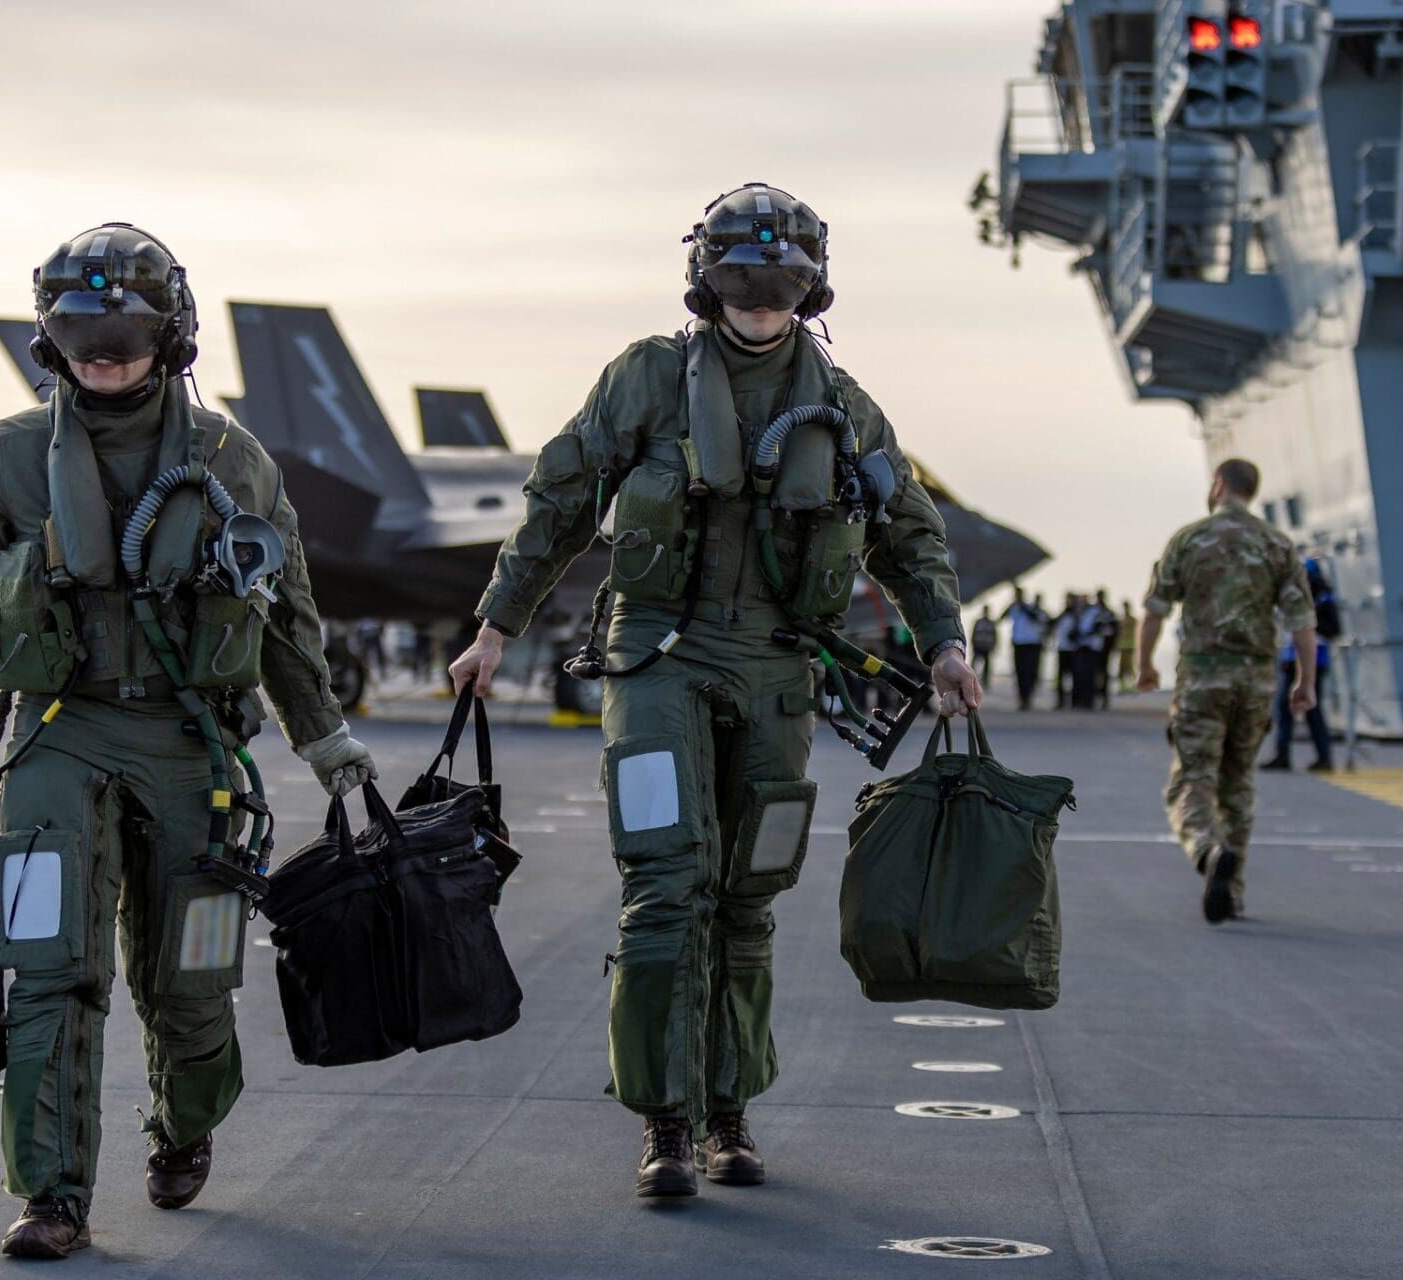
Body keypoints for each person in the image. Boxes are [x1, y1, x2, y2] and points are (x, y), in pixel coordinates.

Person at [447, 184, 979, 1199]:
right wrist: (495, 626)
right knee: (663, 883)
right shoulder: (645, 381)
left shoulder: (846, 404)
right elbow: (561, 500)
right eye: (744, 280)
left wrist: (945, 640)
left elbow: (910, 535)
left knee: (748, 897)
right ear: (709, 282)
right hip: (656, 661)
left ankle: (730, 1107)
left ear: (808, 287)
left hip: (780, 670)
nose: (762, 300)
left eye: (780, 283)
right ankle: (665, 1121)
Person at [0, 224, 375, 1261]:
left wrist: (327, 741)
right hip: (60, 732)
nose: (104, 351)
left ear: (170, 333)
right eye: (82, 333)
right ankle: (53, 1192)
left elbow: (287, 618)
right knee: (49, 967)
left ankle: (186, 1123)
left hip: (192, 742)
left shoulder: (233, 460)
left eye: (126, 332)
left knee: (192, 977)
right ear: (53, 340)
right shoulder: (9, 459)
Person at [1137, 458, 1316, 925]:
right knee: (1239, 782)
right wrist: (1305, 683)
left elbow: (1155, 610)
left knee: (1192, 778)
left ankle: (1207, 849)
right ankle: (1232, 890)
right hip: (1256, 679)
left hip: (1202, 676)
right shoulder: (1277, 544)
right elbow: (1302, 622)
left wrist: (1143, 667)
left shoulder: (1190, 538)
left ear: (1218, 485)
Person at [1263, 557, 1336, 773]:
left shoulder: (1322, 600)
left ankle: (1324, 756)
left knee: (1311, 710)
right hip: (1291, 659)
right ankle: (1283, 754)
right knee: (1285, 709)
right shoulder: (1293, 601)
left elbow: (1331, 629)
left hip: (1314, 660)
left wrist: (1306, 628)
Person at [1004, 587, 1046, 709]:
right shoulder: (1015, 608)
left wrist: (1021, 605)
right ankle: (1023, 698)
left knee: (1031, 672)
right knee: (1020, 672)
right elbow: (1002, 617)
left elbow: (1034, 617)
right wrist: (1011, 605)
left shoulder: (1033, 608)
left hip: (1033, 644)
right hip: (1019, 645)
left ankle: (1028, 696)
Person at [1053, 593, 1080, 709]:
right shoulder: (1063, 615)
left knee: (1075, 677)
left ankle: (1075, 701)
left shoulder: (1077, 615)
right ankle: (1060, 701)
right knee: (1061, 677)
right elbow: (1053, 624)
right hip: (1062, 648)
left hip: (1074, 649)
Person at [970, 604, 997, 685]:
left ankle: (985, 680)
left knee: (987, 665)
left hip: (987, 646)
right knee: (974, 663)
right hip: (978, 645)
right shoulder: (978, 622)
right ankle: (971, 678)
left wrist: (994, 645)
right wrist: (973, 643)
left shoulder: (991, 623)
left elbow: (995, 635)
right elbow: (973, 633)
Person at [1115, 601, 1137, 691]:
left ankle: (1133, 685)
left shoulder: (1133, 620)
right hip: (1122, 646)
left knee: (1130, 667)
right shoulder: (1121, 620)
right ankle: (1122, 686)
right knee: (1122, 667)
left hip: (1130, 646)